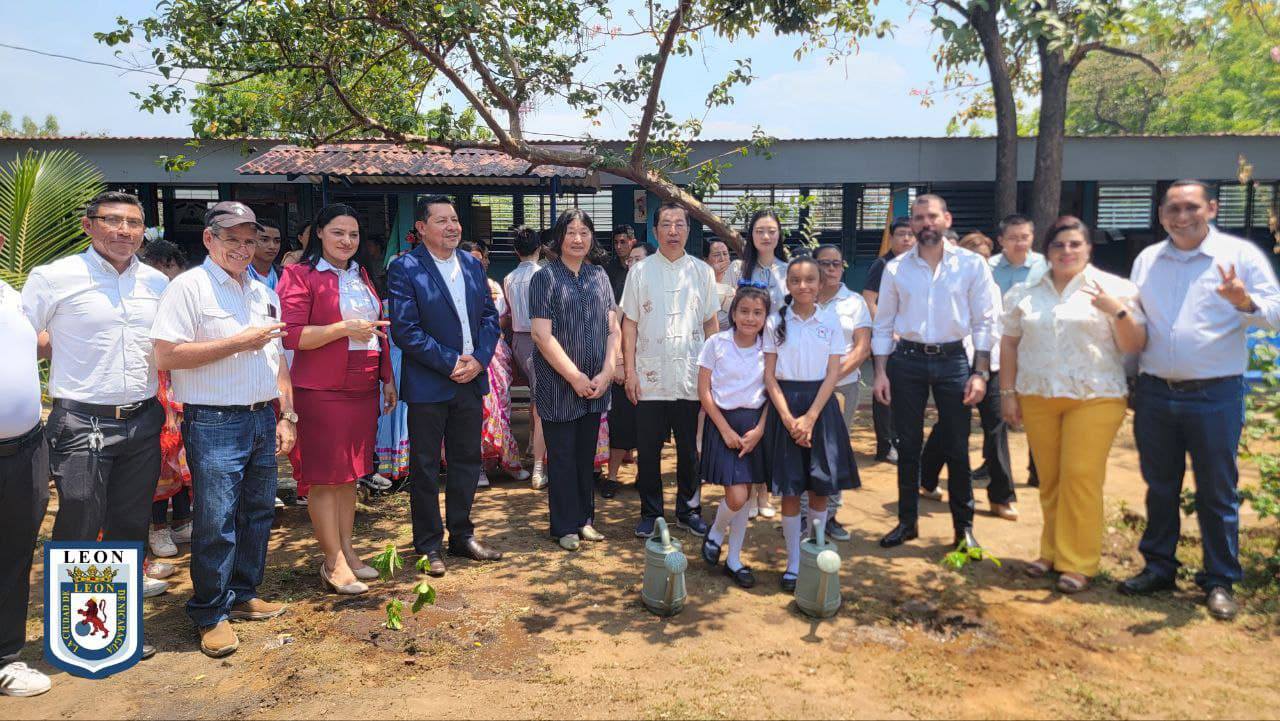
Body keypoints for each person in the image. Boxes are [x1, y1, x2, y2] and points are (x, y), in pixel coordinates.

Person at [22, 190, 171, 657]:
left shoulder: (156, 283)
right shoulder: (53, 277)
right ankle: (74, 635)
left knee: (129, 524)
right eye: (113, 220)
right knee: (80, 519)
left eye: (134, 222)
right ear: (89, 226)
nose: (124, 231)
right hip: (80, 420)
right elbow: (20, 341)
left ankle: (113, 634)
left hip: (143, 419)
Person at [1123, 180, 1280, 620]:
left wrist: (1243, 301)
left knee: (1216, 491)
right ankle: (1158, 567)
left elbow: (1275, 313)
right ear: (1161, 215)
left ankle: (1219, 580)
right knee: (1160, 487)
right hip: (1155, 393)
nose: (1181, 215)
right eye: (1172, 208)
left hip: (1215, 394)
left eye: (1191, 206)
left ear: (1211, 208)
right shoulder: (1148, 259)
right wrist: (1128, 380)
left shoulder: (1239, 256)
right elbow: (1137, 325)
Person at [151, 201, 296, 658]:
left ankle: (244, 592)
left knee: (256, 512)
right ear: (209, 239)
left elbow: (276, 358)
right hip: (214, 420)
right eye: (232, 239)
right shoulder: (189, 288)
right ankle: (209, 611)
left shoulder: (261, 290)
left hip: (260, 415)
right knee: (215, 519)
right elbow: (167, 355)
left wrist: (286, 413)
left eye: (249, 240)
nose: (242, 248)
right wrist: (237, 342)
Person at [1000, 217, 1146, 594]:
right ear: (1046, 251)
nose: (1067, 252)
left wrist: (1116, 310)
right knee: (1050, 479)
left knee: (1080, 476)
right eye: (1059, 245)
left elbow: (1134, 345)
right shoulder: (1026, 291)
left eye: (1075, 245)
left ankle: (1079, 562)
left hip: (1095, 396)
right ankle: (1050, 552)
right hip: (1038, 394)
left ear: (1088, 249)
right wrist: (1008, 393)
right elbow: (1010, 344)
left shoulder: (1115, 288)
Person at [277, 204, 397, 595]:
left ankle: (348, 549)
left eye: (354, 234)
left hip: (362, 384)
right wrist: (341, 328)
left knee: (349, 475)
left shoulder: (361, 275)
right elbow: (291, 334)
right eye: (337, 233)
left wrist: (387, 378)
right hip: (321, 388)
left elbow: (377, 332)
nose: (347, 241)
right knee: (325, 478)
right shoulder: (300, 275)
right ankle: (332, 561)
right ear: (319, 234)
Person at [872, 194, 998, 551]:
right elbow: (883, 325)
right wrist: (880, 372)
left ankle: (964, 530)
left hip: (954, 361)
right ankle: (907, 523)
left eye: (932, 217)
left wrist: (981, 373)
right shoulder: (896, 269)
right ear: (911, 224)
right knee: (908, 446)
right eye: (918, 218)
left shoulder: (972, 265)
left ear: (946, 218)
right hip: (907, 362)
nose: (926, 223)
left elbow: (985, 322)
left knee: (958, 447)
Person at [388, 195, 503, 578]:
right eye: (442, 220)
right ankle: (428, 544)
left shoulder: (471, 264)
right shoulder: (405, 268)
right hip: (429, 382)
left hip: (471, 380)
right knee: (423, 467)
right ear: (421, 228)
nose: (452, 226)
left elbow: (489, 317)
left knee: (467, 460)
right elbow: (406, 330)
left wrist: (479, 360)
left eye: (454, 219)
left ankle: (462, 534)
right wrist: (451, 361)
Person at [621, 202, 719, 538]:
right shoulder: (640, 271)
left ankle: (689, 510)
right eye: (666, 224)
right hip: (649, 378)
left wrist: (714, 372)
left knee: (690, 450)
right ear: (656, 230)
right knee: (648, 451)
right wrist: (630, 372)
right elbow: (629, 325)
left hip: (691, 378)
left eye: (680, 224)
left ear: (688, 231)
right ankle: (650, 513)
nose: (673, 231)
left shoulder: (702, 272)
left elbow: (711, 325)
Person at [763, 256, 858, 591]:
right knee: (790, 489)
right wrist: (789, 419)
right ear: (788, 285)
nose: (803, 286)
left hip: (820, 406)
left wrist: (812, 416)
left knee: (819, 485)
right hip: (785, 406)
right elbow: (770, 376)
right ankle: (792, 563)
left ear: (820, 284)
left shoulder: (830, 321)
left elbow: (834, 372)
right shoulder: (776, 321)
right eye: (796, 280)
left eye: (810, 280)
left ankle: (813, 553)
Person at [530, 209, 620, 550]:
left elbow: (613, 329)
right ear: (559, 238)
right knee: (563, 457)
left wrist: (608, 371)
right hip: (559, 387)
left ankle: (585, 520)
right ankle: (564, 526)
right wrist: (575, 377)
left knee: (586, 457)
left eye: (584, 232)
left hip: (596, 385)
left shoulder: (599, 276)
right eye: (571, 232)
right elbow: (541, 335)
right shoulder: (545, 278)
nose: (578, 238)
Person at [918, 232, 1019, 521]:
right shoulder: (949, 288)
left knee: (995, 428)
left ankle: (1002, 496)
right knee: (950, 426)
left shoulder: (994, 288)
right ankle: (926, 477)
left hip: (993, 367)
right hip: (959, 366)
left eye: (986, 260)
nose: (982, 266)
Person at [0, 231, 53, 697]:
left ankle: (5, 655)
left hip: (24, 446)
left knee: (15, 553)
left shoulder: (13, 295)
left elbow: (39, 344)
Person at [697, 285, 772, 588]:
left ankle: (734, 559)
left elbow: (772, 394)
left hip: (755, 427)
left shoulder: (769, 349)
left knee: (749, 492)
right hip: (723, 424)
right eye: (744, 311)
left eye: (757, 313)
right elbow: (703, 391)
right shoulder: (716, 344)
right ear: (734, 313)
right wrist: (725, 430)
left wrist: (761, 429)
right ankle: (716, 531)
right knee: (738, 495)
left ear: (766, 317)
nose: (750, 318)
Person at [726, 210, 791, 519]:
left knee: (771, 422)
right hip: (746, 354)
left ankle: (766, 492)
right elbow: (726, 310)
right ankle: (749, 492)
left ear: (779, 235)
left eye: (771, 231)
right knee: (749, 421)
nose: (766, 236)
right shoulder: (738, 268)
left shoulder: (788, 271)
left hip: (778, 355)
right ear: (750, 235)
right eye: (760, 231)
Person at [813, 243, 872, 542]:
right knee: (806, 449)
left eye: (837, 264)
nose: (832, 269)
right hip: (806, 387)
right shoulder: (802, 298)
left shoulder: (855, 302)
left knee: (834, 451)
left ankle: (831, 514)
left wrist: (832, 375)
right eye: (825, 264)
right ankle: (803, 516)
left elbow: (862, 347)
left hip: (843, 386)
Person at [140, 241, 194, 561]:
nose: (167, 277)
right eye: (160, 270)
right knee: (161, 458)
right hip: (155, 387)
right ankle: (157, 526)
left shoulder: (186, 299)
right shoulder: (144, 302)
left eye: (172, 270)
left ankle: (183, 520)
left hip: (184, 385)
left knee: (185, 456)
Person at [460, 241, 529, 487]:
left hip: (494, 355)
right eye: (471, 258)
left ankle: (507, 461)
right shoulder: (454, 285)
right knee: (476, 413)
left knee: (502, 410)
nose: (477, 264)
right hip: (467, 356)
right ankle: (477, 467)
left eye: (480, 259)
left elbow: (503, 320)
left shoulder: (493, 287)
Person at [989, 213, 1046, 487]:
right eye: (1013, 238)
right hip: (998, 349)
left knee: (1036, 411)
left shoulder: (1045, 268)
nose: (1020, 243)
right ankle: (995, 470)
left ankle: (1038, 469)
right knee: (998, 411)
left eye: (1025, 237)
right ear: (1001, 240)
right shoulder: (987, 268)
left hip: (1034, 350)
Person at [862, 218, 916, 465]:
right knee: (884, 392)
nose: (906, 239)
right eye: (901, 234)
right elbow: (869, 300)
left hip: (911, 340)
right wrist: (885, 329)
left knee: (905, 392)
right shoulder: (882, 265)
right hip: (886, 340)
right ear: (891, 237)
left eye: (910, 234)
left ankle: (900, 439)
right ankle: (885, 445)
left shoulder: (917, 265)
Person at [504, 226, 548, 490]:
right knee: (541, 398)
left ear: (515, 251)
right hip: (539, 338)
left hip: (518, 338)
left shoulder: (509, 278)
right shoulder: (543, 275)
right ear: (539, 248)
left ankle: (533, 443)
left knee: (536, 394)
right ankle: (539, 462)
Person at [604, 243, 649, 497]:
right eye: (630, 260)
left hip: (652, 370)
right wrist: (620, 363)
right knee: (620, 426)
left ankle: (645, 476)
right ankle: (611, 477)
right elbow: (615, 329)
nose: (633, 264)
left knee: (649, 427)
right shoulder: (621, 289)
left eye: (639, 258)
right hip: (624, 372)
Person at [705, 239, 735, 331]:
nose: (722, 258)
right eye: (716, 255)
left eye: (725, 254)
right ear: (706, 260)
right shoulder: (701, 281)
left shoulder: (736, 273)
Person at [606, 224, 638, 302]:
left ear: (633, 242)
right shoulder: (608, 268)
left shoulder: (641, 266)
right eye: (616, 242)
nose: (618, 246)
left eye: (623, 242)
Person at [249, 219, 282, 289]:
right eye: (264, 240)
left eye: (277, 241)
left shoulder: (285, 274)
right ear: (251, 241)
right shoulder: (239, 273)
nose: (272, 246)